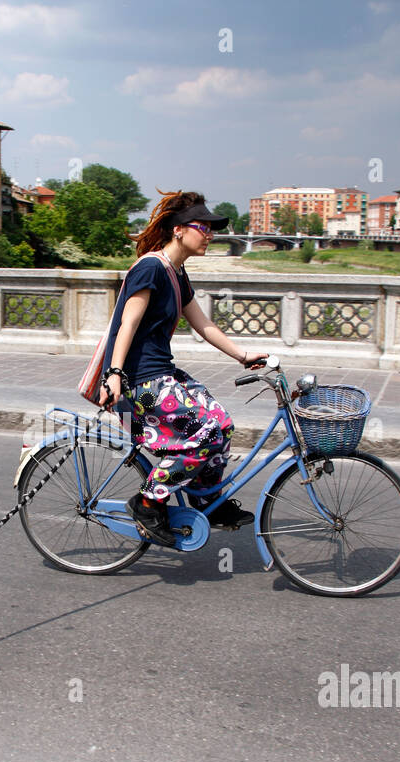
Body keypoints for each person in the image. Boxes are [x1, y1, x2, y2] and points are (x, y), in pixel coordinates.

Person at [97, 190, 268, 547]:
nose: (209, 234)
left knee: (222, 424)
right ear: (178, 230)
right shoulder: (150, 267)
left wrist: (242, 355)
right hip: (139, 380)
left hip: (163, 374)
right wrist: (114, 375)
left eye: (211, 228)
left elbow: (203, 325)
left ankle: (207, 501)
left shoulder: (177, 274)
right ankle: (148, 501)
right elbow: (127, 323)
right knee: (202, 431)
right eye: (202, 227)